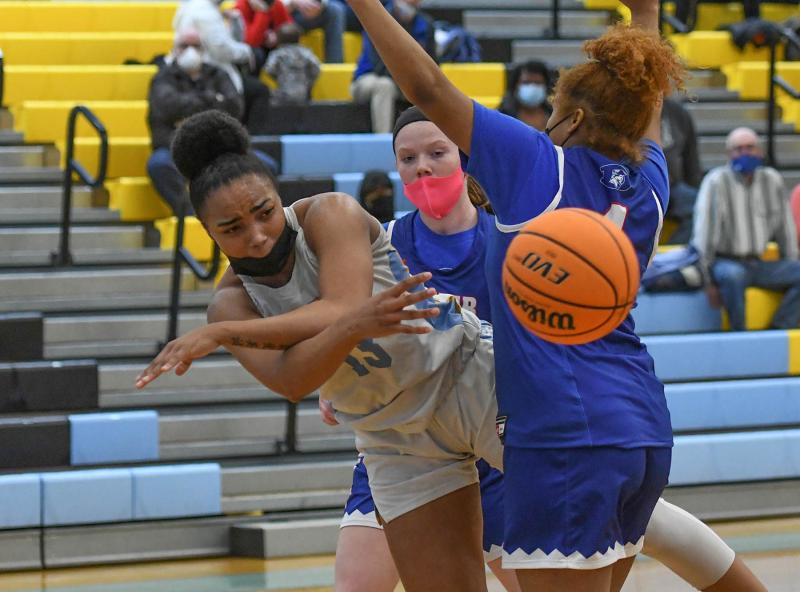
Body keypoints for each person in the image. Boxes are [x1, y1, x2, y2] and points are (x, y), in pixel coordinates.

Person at [343, 0, 769, 590]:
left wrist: (364, 5)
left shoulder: (541, 167)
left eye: (553, 112)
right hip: (641, 425)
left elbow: (427, 88)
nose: (545, 122)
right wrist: (646, 13)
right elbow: (648, 102)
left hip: (563, 432)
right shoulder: (649, 182)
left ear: (573, 118)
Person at [136, 109, 505, 592]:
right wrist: (348, 325)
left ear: (279, 197)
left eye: (264, 212)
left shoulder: (331, 213)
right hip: (392, 435)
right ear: (208, 232)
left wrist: (230, 335)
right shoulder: (229, 305)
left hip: (466, 377)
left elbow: (340, 307)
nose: (257, 236)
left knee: (567, 555)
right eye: (232, 228)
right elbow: (292, 380)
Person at [691, 126, 800, 331]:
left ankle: (779, 329)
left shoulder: (772, 180)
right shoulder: (716, 181)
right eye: (738, 149)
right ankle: (739, 334)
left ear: (760, 151)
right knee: (733, 276)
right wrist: (708, 281)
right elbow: (704, 235)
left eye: (750, 147)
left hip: (758, 263)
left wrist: (791, 261)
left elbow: (785, 231)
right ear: (729, 154)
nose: (745, 153)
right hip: (724, 262)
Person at [174, 0, 273, 133]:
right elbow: (221, 50)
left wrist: (235, 21)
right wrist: (248, 52)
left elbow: (231, 42)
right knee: (258, 91)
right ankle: (251, 141)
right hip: (209, 72)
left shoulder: (193, 6)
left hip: (206, 70)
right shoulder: (205, 12)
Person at [351, 0, 435, 133]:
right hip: (369, 76)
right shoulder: (376, 19)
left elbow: (433, 64)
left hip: (406, 81)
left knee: (430, 88)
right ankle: (383, 139)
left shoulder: (426, 24)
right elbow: (379, 65)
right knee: (385, 85)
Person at [661, 96, 702, 244]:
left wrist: (694, 187)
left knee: (701, 207)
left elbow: (691, 157)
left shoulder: (677, 112)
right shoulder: (628, 109)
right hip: (637, 186)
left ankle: (671, 254)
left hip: (673, 187)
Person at [266, 22, 321, 104]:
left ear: (279, 39)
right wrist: (309, 82)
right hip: (304, 93)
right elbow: (316, 68)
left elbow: (269, 69)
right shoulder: (306, 53)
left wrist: (278, 77)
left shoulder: (277, 54)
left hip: (283, 92)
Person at [236, 0, 294, 71]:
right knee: (257, 53)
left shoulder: (275, 3)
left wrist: (277, 36)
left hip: (274, 46)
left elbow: (290, 30)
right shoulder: (241, 6)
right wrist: (262, 12)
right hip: (254, 50)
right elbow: (252, 42)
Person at [497, 60, 553, 132]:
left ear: (546, 87)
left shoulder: (554, 115)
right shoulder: (503, 116)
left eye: (538, 83)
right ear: (515, 86)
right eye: (526, 82)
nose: (532, 87)